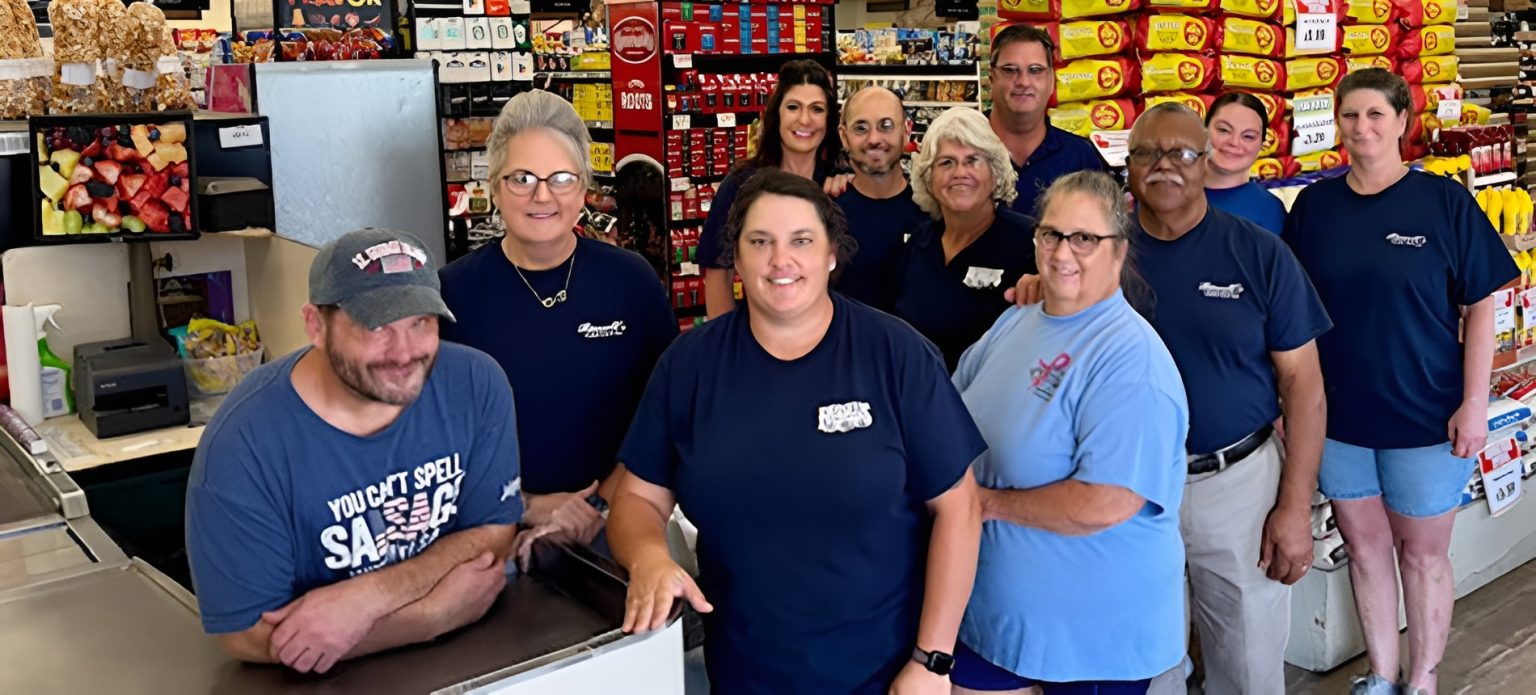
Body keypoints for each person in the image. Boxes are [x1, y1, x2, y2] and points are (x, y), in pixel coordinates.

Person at [610, 169, 985, 694]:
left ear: (832, 253)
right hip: (743, 674)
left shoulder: (895, 355)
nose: (780, 260)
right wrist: (647, 554)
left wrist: (932, 660)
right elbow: (636, 497)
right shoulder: (690, 365)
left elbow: (959, 508)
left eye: (801, 241)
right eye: (759, 242)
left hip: (884, 675)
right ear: (736, 259)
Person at [1012, 103, 1332, 694]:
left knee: (1248, 663)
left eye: (1181, 153)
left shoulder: (1258, 253)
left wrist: (1294, 508)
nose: (1164, 166)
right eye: (1146, 154)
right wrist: (1042, 282)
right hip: (1123, 489)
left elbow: (1305, 389)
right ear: (1126, 168)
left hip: (1235, 487)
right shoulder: (1096, 254)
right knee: (1146, 665)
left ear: (1206, 163)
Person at [186, 228, 523, 675]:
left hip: (474, 661)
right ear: (315, 326)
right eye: (376, 326)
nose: (404, 353)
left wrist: (370, 598)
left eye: (421, 323)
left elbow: (495, 533)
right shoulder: (245, 444)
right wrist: (429, 616)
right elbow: (247, 632)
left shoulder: (477, 383)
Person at [1284, 68, 1519, 695]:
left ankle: (1423, 679)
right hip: (1339, 421)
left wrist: (1475, 403)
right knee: (1364, 551)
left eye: (1375, 116)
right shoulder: (1314, 206)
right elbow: (1291, 316)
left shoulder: (1442, 201)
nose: (1361, 128)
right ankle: (1382, 675)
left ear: (1402, 123)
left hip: (1426, 416)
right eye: (1350, 116)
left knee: (1421, 554)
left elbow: (1483, 305)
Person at [953, 170, 1188, 694]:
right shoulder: (1017, 320)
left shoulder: (1131, 359)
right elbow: (952, 409)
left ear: (1118, 250)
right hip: (997, 621)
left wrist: (983, 504)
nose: (1063, 252)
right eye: (1052, 234)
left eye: (1084, 238)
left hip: (1091, 641)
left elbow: (1107, 500)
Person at [439, 90, 676, 559]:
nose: (541, 194)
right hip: (490, 535)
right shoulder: (451, 294)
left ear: (584, 185)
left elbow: (668, 413)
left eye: (561, 178)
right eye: (522, 178)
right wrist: (526, 505)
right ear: (495, 185)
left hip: (617, 527)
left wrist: (596, 506)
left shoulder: (631, 282)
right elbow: (435, 440)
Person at [891, 106, 1037, 372]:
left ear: (995, 173)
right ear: (928, 177)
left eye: (972, 160)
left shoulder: (1030, 243)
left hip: (991, 407)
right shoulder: (919, 244)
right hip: (921, 401)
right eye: (946, 162)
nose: (960, 172)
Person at [699, 59, 841, 318]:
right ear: (777, 115)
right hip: (757, 333)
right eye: (793, 107)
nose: (805, 119)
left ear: (830, 119)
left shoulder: (838, 182)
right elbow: (718, 272)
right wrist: (724, 347)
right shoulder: (741, 184)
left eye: (817, 109)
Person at [988, 24, 1106, 219]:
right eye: (1010, 70)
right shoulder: (963, 149)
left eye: (1035, 70)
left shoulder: (1079, 158)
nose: (1024, 81)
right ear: (991, 77)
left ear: (1051, 80)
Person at [831, 85, 929, 310]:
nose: (874, 139)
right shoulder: (826, 215)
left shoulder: (934, 212)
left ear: (907, 130)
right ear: (843, 136)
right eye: (861, 128)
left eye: (886, 126)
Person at [1205, 92, 1287, 234]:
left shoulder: (1269, 210)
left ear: (1262, 144)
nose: (1234, 142)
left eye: (1248, 136)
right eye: (1224, 130)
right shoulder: (1170, 194)